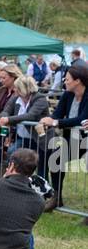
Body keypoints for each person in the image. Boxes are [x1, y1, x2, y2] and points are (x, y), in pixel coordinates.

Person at [37, 59, 88, 209]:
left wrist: (56, 123)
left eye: (67, 79)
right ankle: (56, 197)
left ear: (78, 81)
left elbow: (81, 120)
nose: (64, 81)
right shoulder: (67, 95)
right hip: (72, 139)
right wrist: (48, 119)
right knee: (56, 158)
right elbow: (58, 114)